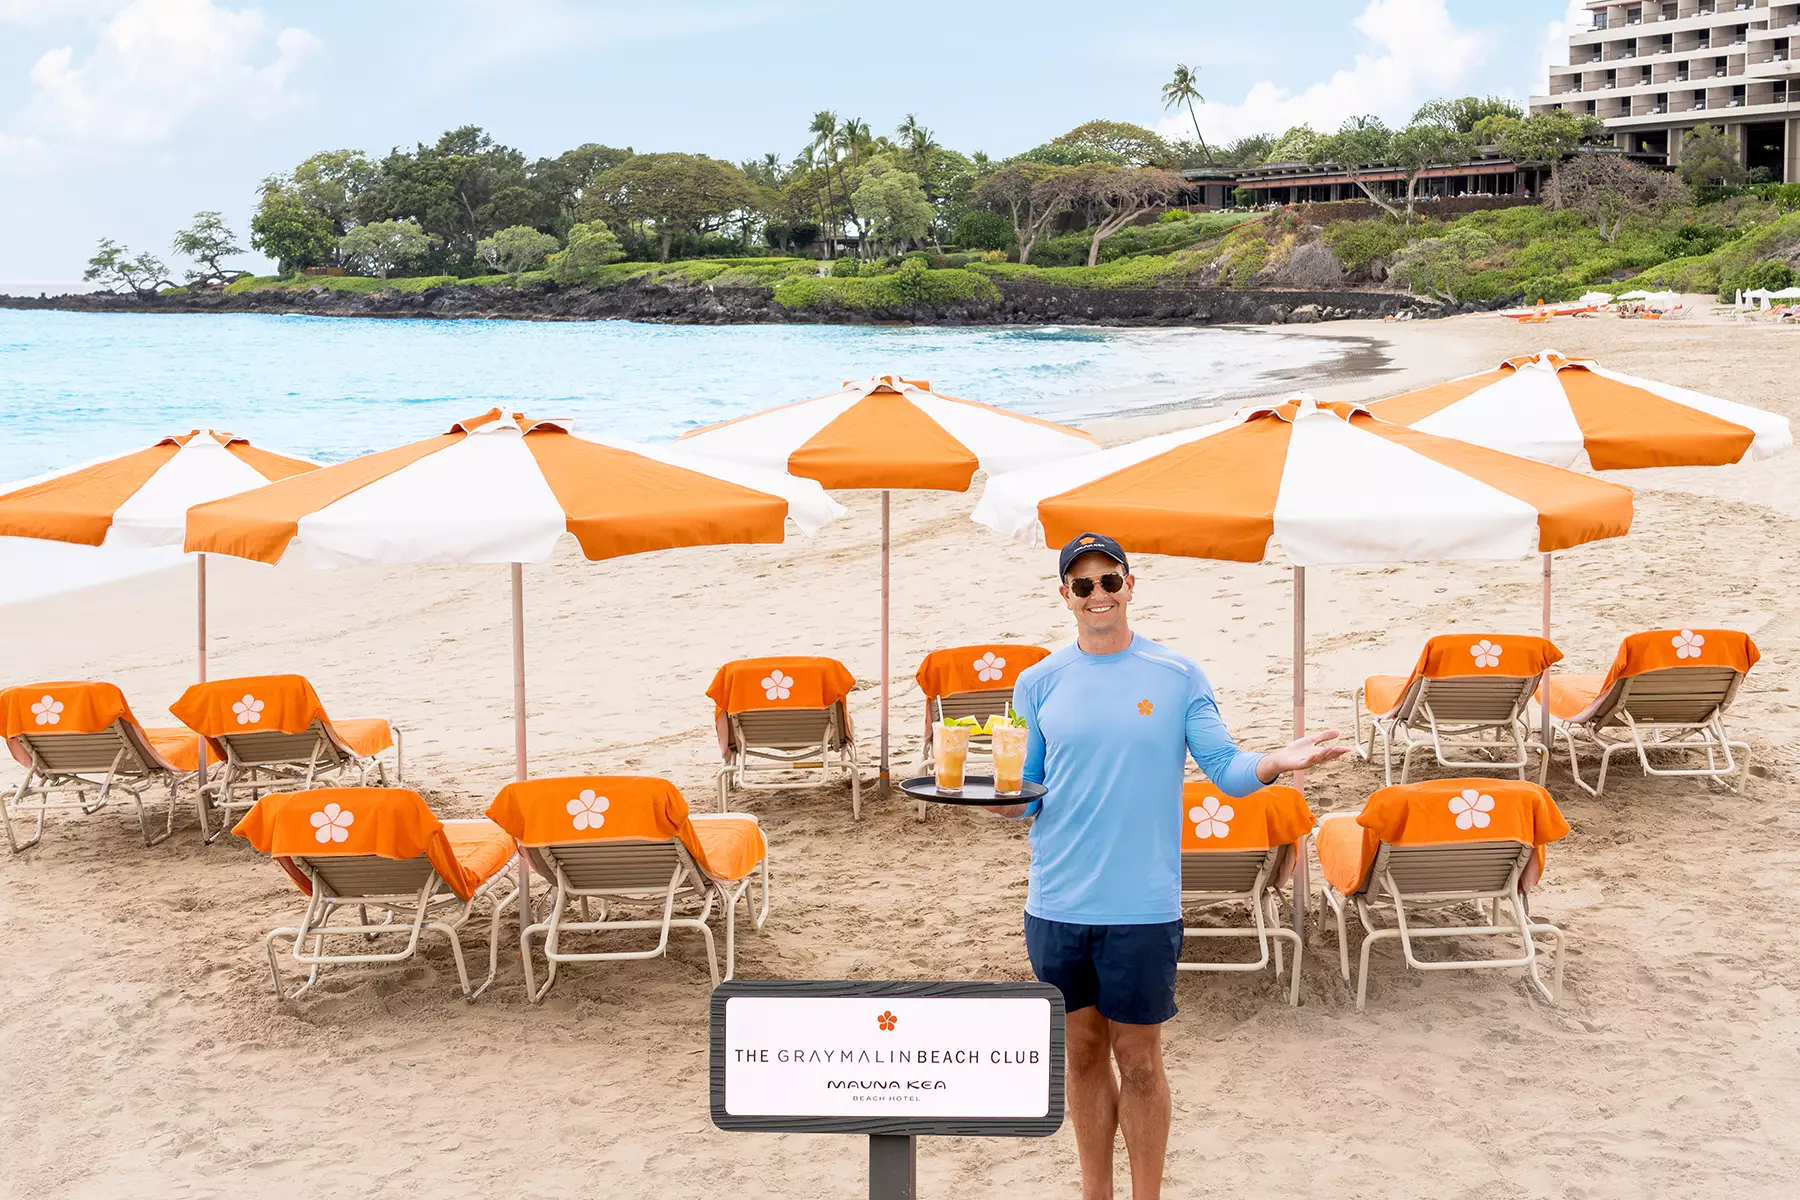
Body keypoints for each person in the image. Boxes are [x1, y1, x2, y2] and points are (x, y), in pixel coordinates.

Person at [986, 532, 1347, 1200]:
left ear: (1130, 585)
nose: (1099, 595)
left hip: (1142, 908)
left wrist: (1276, 762)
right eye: (1084, 585)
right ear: (1065, 595)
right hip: (1056, 902)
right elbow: (1024, 790)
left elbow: (1227, 770)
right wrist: (993, 802)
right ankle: (1096, 1194)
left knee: (1141, 1060)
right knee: (1085, 1052)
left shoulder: (1176, 675)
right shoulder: (1037, 682)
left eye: (1110, 581)